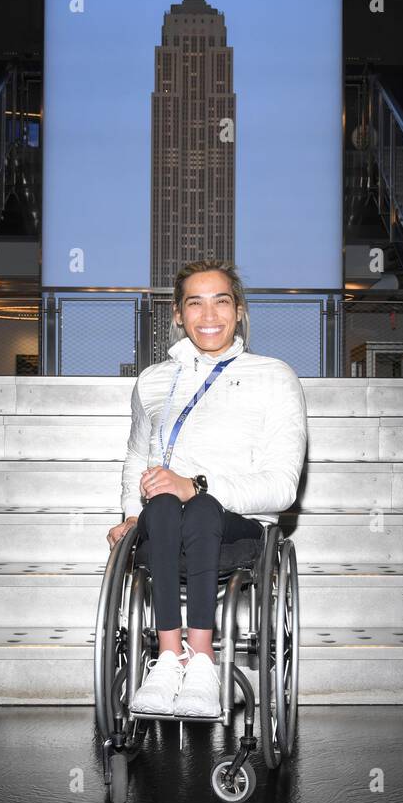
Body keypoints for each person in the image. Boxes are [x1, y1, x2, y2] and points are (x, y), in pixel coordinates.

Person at [105, 259, 308, 718]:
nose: (209, 314)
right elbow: (138, 457)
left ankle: (203, 660)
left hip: (237, 529)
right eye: (195, 303)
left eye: (221, 301)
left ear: (238, 311)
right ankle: (168, 657)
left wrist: (195, 486)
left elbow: (283, 486)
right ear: (178, 314)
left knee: (197, 508)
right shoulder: (153, 381)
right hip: (165, 525)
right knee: (158, 507)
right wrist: (129, 516)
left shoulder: (274, 376)